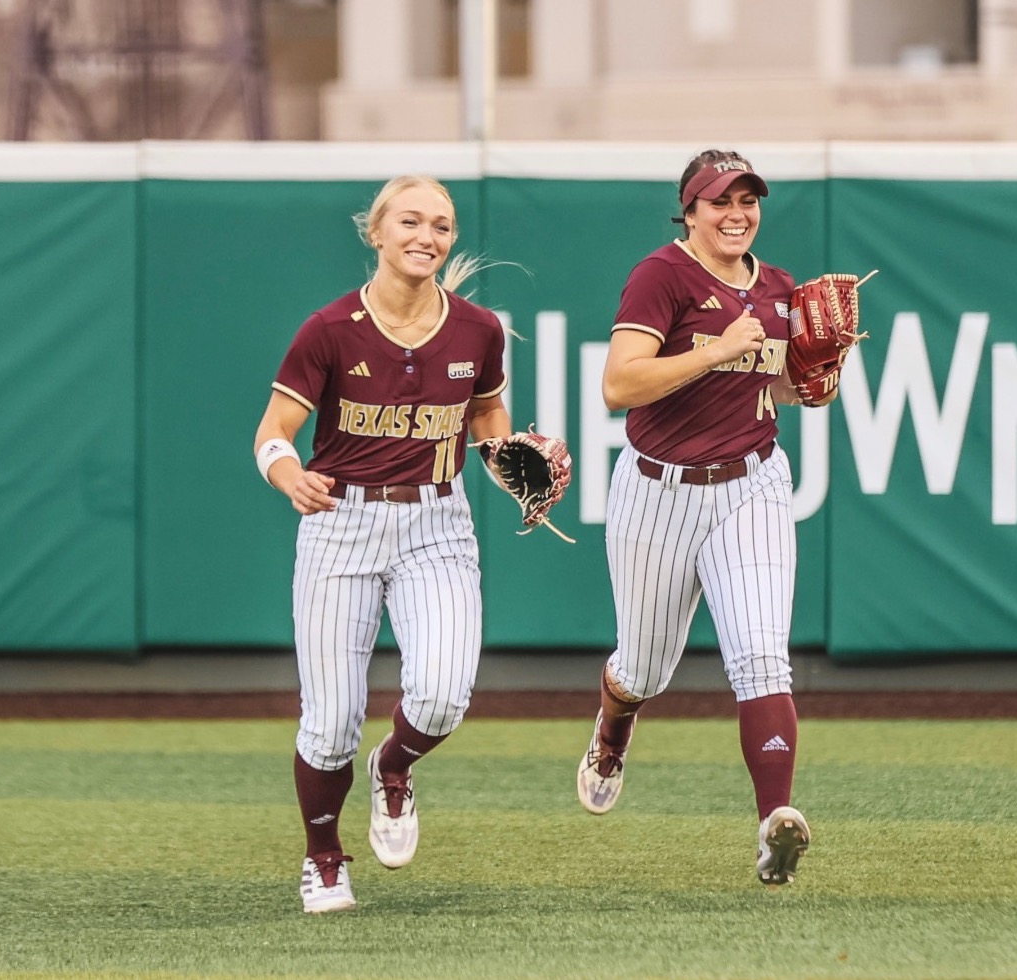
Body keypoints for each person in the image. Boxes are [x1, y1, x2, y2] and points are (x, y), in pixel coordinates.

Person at [253, 175, 515, 914]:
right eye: (409, 221)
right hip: (341, 525)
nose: (425, 236)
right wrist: (287, 476)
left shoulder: (478, 330)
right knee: (330, 722)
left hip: (437, 523)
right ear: (377, 232)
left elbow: (490, 427)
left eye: (440, 224)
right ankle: (324, 856)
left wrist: (520, 459)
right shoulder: (330, 329)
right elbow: (271, 435)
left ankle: (394, 767)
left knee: (439, 697)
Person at [576, 149, 831, 886]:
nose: (737, 214)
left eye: (748, 200)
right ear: (689, 211)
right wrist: (717, 350)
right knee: (644, 667)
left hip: (752, 485)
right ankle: (614, 725)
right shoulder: (664, 275)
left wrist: (811, 381)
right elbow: (619, 384)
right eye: (720, 201)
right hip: (659, 490)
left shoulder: (778, 286)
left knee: (760, 655)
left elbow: (780, 387)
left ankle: (774, 823)